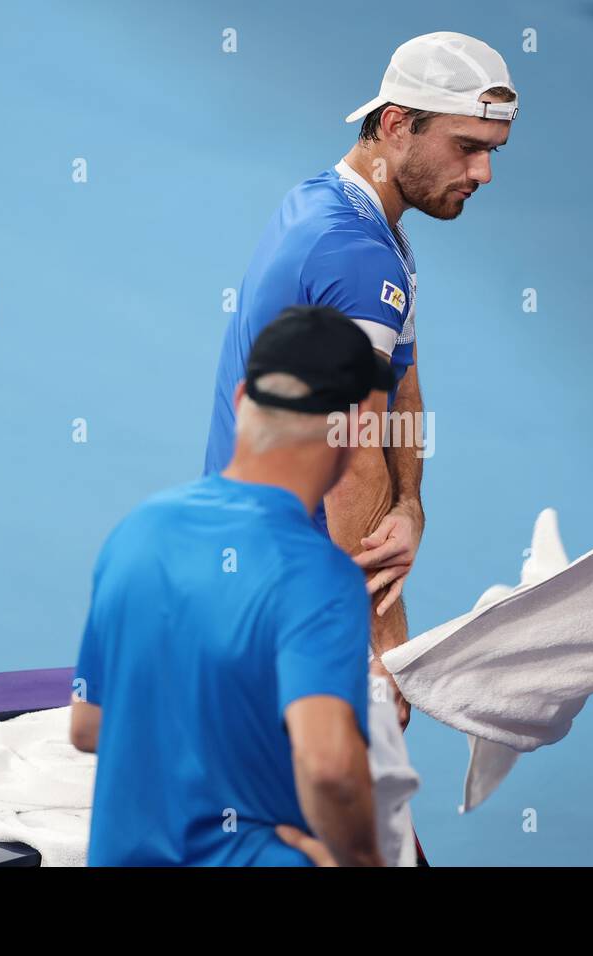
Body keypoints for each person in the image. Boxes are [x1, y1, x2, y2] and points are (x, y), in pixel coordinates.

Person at [203, 32, 520, 725]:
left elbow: (400, 383)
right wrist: (385, 656)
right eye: (467, 146)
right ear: (397, 124)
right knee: (323, 822)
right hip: (291, 604)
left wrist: (410, 502)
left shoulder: (346, 215)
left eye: (492, 151)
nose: (483, 173)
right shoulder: (357, 257)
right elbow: (348, 457)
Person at [70, 306, 394, 866]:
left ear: (242, 398)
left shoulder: (137, 531)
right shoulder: (319, 579)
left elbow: (89, 725)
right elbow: (330, 770)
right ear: (352, 430)